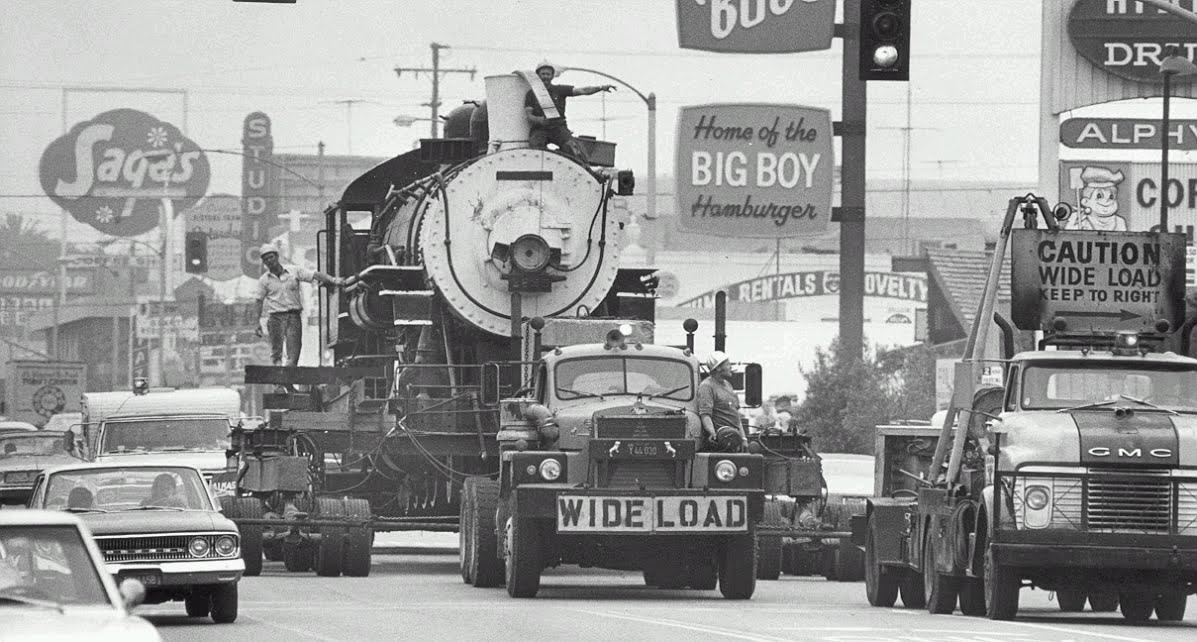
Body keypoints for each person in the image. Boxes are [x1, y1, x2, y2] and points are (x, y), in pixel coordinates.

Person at [254, 243, 345, 368]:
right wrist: (256, 323)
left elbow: (314, 275)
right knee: (277, 353)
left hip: (293, 317)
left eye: (271, 257)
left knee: (294, 353)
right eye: (266, 259)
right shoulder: (264, 280)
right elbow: (258, 301)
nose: (269, 261)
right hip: (276, 318)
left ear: (277, 256)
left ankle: (286, 381)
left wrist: (333, 280)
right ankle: (281, 385)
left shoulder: (293, 271)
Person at [524, 61, 614, 163]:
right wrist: (540, 120)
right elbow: (529, 115)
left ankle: (586, 169)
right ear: (538, 76)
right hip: (540, 129)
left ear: (552, 76)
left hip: (558, 128)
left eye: (548, 74)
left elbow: (583, 91)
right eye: (543, 74)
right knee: (535, 148)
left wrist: (601, 88)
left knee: (574, 149)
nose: (545, 76)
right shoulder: (531, 94)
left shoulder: (560, 90)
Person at [697, 351, 746, 452]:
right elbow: (705, 414)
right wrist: (713, 434)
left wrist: (743, 438)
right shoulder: (706, 386)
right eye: (727, 364)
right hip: (721, 442)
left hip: (734, 439)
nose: (730, 367)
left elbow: (736, 416)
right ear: (718, 368)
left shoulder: (728, 385)